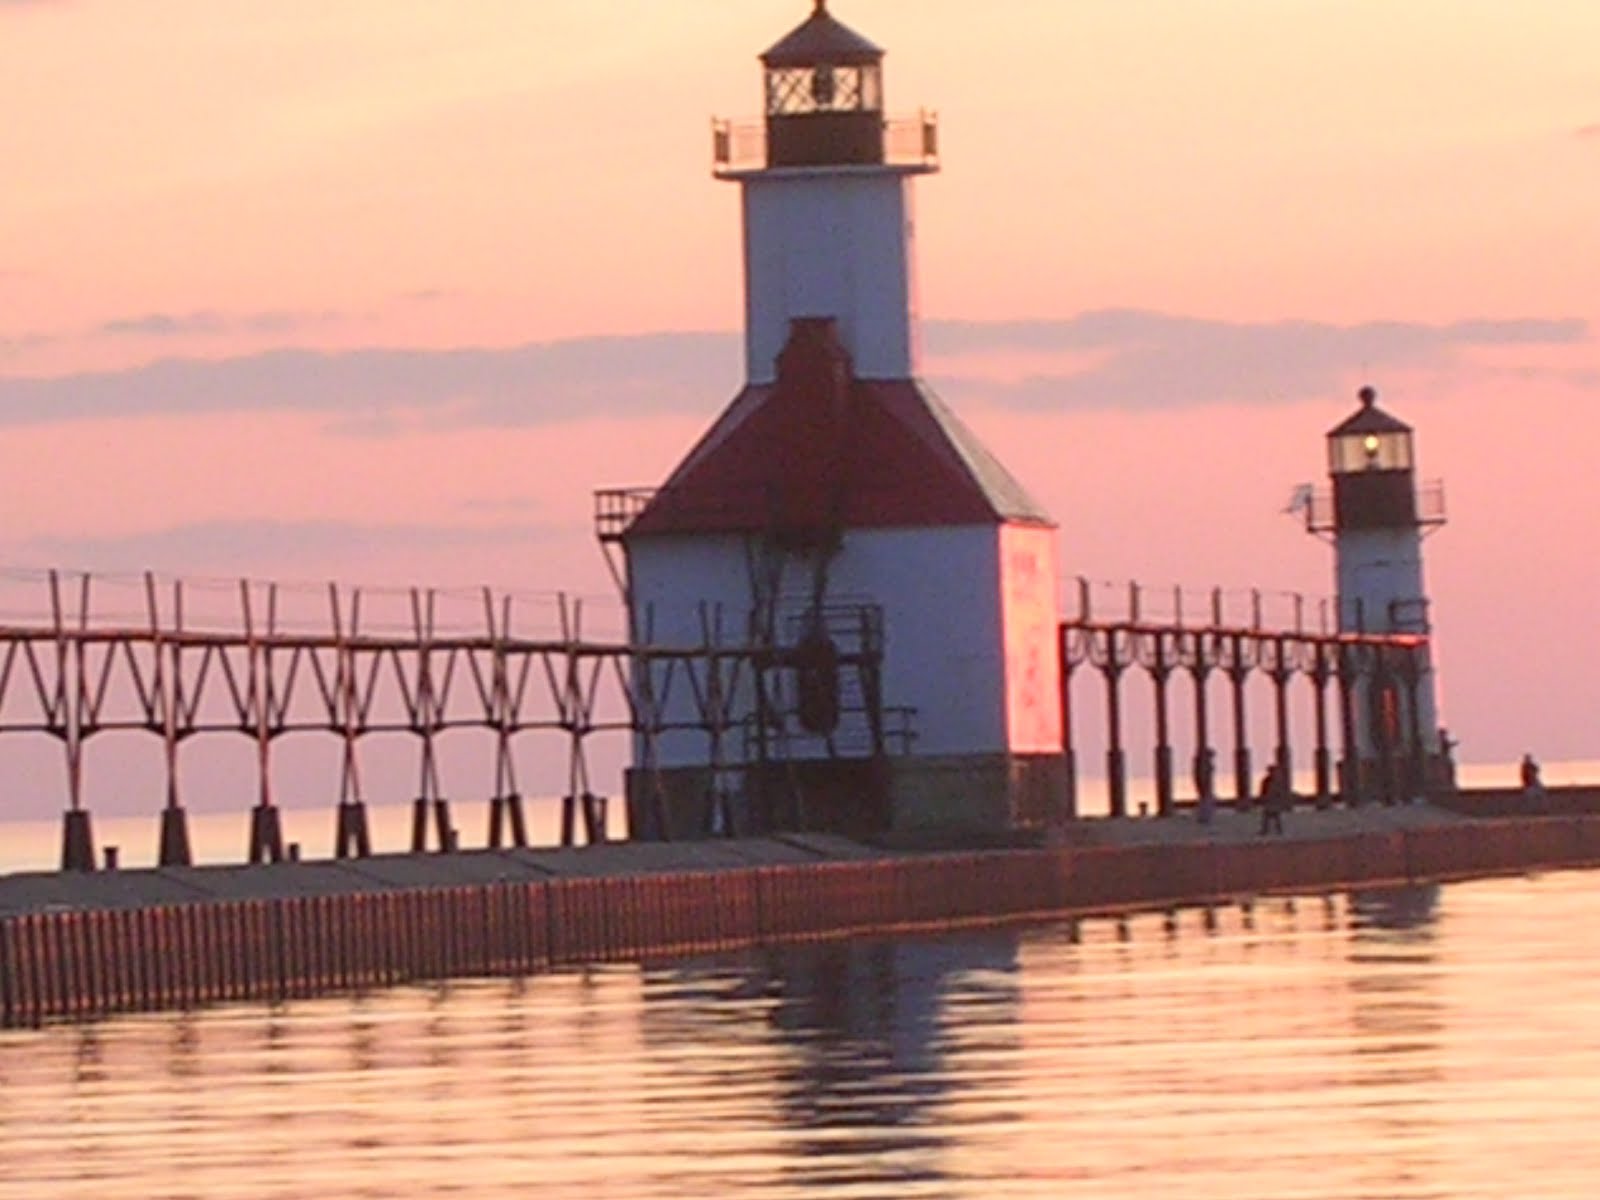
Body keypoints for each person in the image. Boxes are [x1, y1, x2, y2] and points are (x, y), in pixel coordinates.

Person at [1257, 764, 1286, 836]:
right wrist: (1263, 798)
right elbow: (1263, 791)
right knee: (1267, 816)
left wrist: (1281, 799)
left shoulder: (1277, 780)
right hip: (1269, 800)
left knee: (1276, 816)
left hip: (1274, 800)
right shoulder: (1267, 780)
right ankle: (1266, 830)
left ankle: (1278, 830)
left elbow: (1281, 791)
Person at [1194, 747, 1217, 826]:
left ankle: (1204, 816)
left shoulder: (1202, 763)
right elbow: (1203, 775)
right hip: (1206, 783)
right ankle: (1204, 817)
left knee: (1205, 799)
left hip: (1207, 783)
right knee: (1206, 799)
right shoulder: (1203, 763)